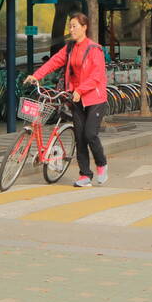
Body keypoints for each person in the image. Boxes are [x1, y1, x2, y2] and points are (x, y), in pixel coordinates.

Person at [25, 13, 108, 188]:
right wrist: (36, 75)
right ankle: (85, 175)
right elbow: (54, 62)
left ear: (84, 27)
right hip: (75, 97)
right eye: (70, 26)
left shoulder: (95, 49)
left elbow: (97, 75)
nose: (71, 29)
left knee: (90, 134)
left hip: (94, 98)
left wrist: (81, 90)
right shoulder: (69, 48)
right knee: (79, 138)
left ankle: (101, 164)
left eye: (75, 26)